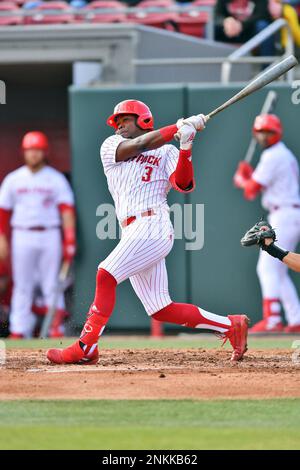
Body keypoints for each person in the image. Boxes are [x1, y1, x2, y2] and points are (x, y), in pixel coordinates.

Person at [47, 99, 249, 365]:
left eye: (125, 121)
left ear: (143, 120)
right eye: (117, 122)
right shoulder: (111, 146)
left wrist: (186, 146)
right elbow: (140, 145)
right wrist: (176, 126)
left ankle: (86, 347)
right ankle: (230, 325)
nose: (119, 126)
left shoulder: (166, 152)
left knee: (105, 274)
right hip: (132, 229)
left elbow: (184, 184)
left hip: (153, 224)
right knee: (160, 308)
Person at [0, 131, 76, 338]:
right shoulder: (14, 179)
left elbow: (67, 209)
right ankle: (19, 330)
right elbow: (3, 212)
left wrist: (69, 239)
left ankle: (55, 328)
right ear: (24, 152)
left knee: (52, 282)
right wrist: (2, 238)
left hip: (49, 234)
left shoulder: (55, 178)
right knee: (22, 285)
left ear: (44, 152)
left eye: (37, 151)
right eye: (30, 151)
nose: (33, 155)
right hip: (22, 234)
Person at [233, 114, 300, 333]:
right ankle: (295, 317)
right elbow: (261, 183)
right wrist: (250, 176)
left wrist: (242, 178)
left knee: (267, 266)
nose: (264, 136)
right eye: (261, 132)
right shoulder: (281, 153)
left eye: (268, 132)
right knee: (279, 269)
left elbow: (251, 190)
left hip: (284, 214)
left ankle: (272, 319)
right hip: (288, 212)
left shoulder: (273, 155)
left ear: (277, 132)